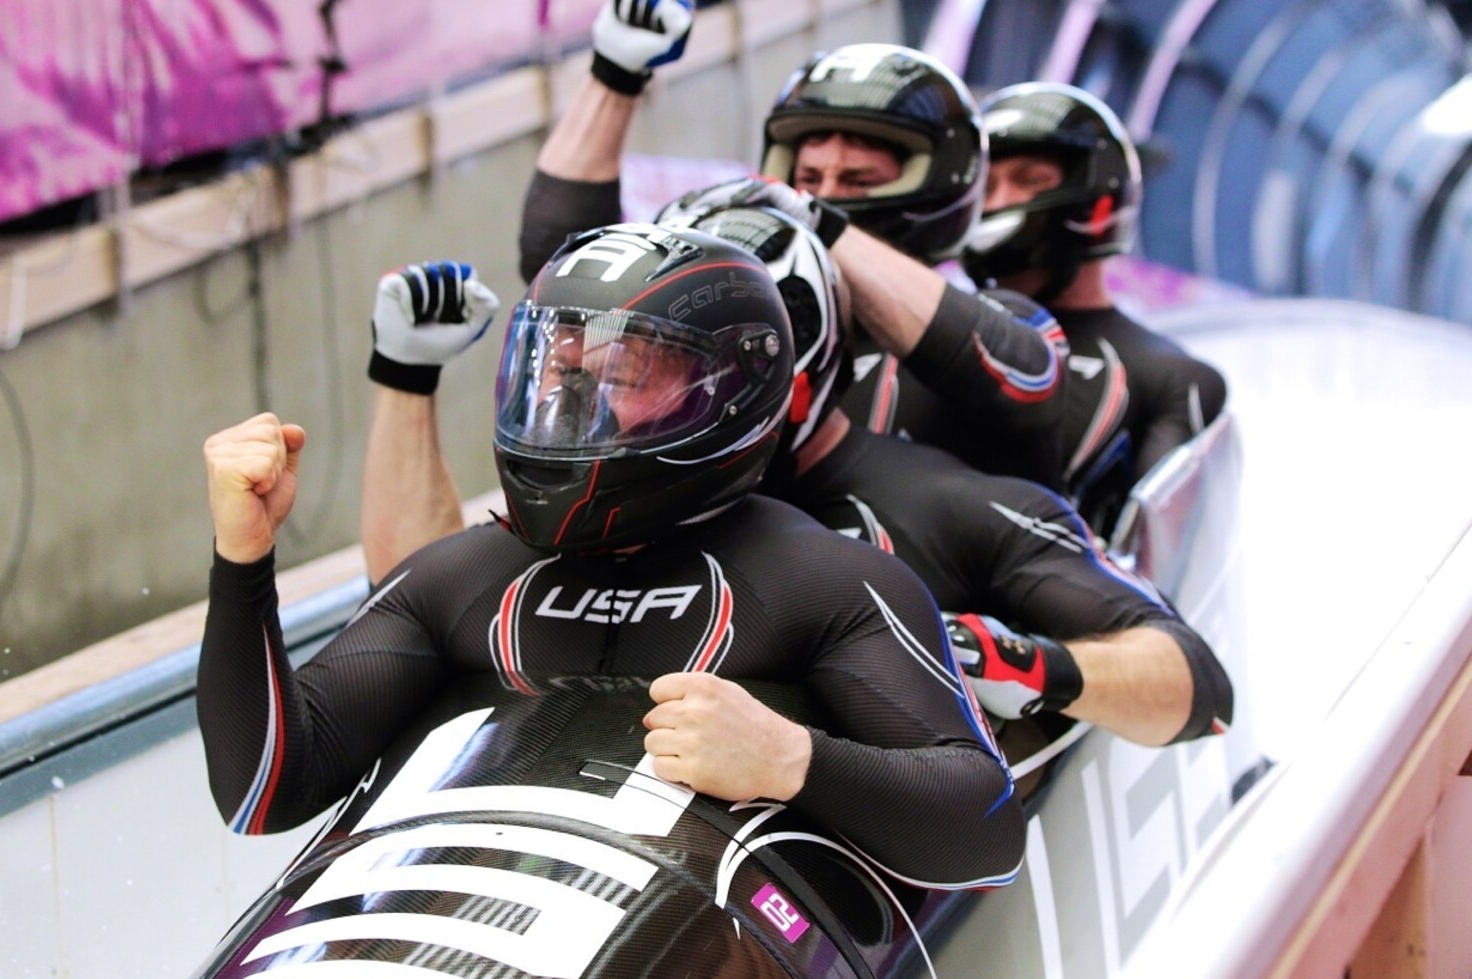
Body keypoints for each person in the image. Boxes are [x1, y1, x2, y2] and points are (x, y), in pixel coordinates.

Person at [198, 223, 1026, 892]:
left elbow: (985, 827)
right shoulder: (462, 576)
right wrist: (244, 562)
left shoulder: (825, 583)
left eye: (622, 370)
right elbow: (265, 788)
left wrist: (790, 760)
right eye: (557, 368)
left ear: (725, 391)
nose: (570, 401)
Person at [359, 207, 1233, 748]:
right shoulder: (607, 507)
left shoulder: (951, 506)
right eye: (623, 365)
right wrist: (404, 384)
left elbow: (1196, 685)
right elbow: (417, 607)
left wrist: (1021, 662)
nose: (607, 397)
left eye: (647, 369)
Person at [516, 18, 1069, 489]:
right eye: (807, 177)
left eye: (856, 180)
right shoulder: (743, 326)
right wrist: (614, 75)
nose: (822, 193)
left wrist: (817, 223)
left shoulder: (1009, 322)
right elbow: (561, 273)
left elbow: (1028, 383)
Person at [963, 82, 1229, 533]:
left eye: (1029, 181)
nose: (1000, 203)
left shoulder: (1172, 379)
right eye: (987, 187)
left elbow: (1160, 550)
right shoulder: (934, 338)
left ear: (1095, 204)